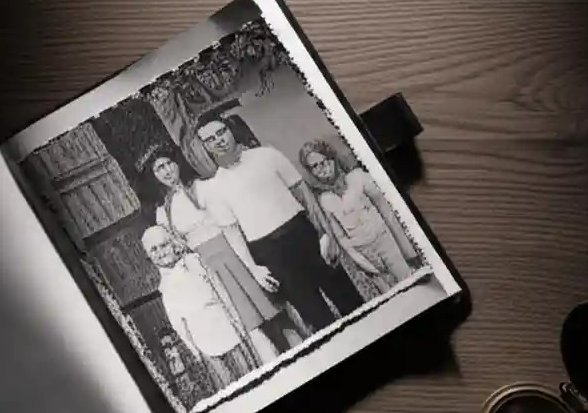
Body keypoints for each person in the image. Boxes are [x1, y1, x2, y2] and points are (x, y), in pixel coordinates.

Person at [194, 114, 363, 333]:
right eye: (209, 139)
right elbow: (233, 233)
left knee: (351, 302)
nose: (218, 140)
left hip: (303, 235)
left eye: (221, 132)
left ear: (230, 129)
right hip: (270, 253)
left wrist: (324, 235)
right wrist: (254, 269)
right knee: (320, 321)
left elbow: (305, 197)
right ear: (205, 147)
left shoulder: (267, 155)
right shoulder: (215, 187)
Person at [141, 144, 286, 363]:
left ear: (177, 163)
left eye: (168, 163)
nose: (166, 171)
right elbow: (176, 252)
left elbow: (231, 228)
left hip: (232, 255)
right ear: (154, 177)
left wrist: (251, 266)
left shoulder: (202, 188)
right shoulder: (163, 213)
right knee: (248, 327)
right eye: (158, 169)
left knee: (273, 316)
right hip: (208, 271)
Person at [141, 226, 257, 387]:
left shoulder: (194, 262)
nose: (161, 252)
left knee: (251, 375)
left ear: (173, 243)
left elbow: (221, 292)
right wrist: (194, 350)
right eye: (154, 250)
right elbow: (178, 324)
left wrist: (236, 321)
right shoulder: (166, 288)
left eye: (164, 245)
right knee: (227, 386)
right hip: (203, 341)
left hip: (226, 327)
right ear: (149, 256)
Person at [298, 139, 418, 291]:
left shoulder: (358, 177)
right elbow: (341, 237)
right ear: (310, 171)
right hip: (365, 253)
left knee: (409, 282)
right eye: (315, 166)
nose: (322, 168)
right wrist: (361, 261)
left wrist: (407, 250)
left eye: (324, 161)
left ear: (332, 158)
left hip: (386, 240)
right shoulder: (324, 199)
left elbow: (387, 211)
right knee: (392, 292)